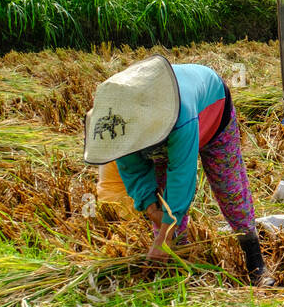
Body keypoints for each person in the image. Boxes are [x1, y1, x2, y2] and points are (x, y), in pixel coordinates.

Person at [83, 55, 273, 284]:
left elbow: (181, 177)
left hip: (212, 113)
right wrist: (152, 209)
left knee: (229, 189)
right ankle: (180, 268)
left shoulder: (179, 114)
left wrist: (164, 233)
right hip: (158, 135)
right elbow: (133, 171)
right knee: (164, 203)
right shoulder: (121, 125)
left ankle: (255, 261)